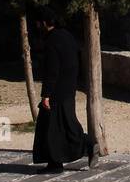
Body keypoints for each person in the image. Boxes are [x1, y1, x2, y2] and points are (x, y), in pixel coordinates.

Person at [32, 15, 100, 173]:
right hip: (68, 89)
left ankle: (57, 162)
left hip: (56, 92)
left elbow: (52, 70)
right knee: (67, 125)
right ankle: (86, 145)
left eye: (37, 23)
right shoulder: (67, 36)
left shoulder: (52, 41)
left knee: (50, 127)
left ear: (44, 22)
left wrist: (46, 95)